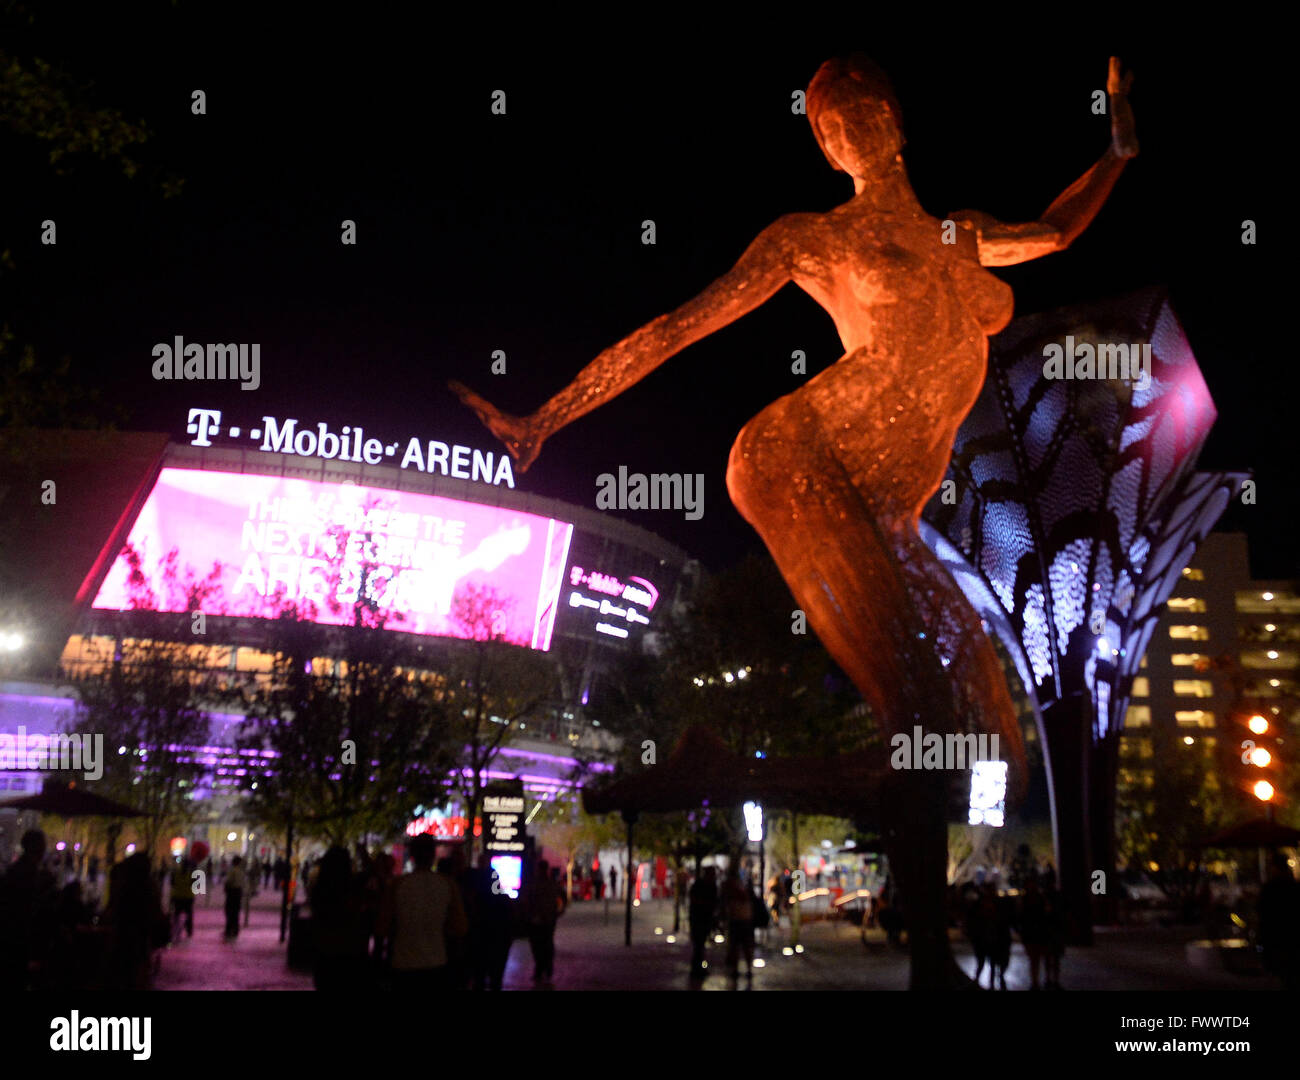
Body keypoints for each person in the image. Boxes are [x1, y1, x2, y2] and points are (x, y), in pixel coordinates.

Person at [451, 54, 1138, 988]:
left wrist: (1117, 150)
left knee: (951, 729)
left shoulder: (957, 230)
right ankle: (915, 943)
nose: (844, 131)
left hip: (883, 504)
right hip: (800, 460)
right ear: (824, 149)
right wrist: (548, 417)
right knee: (930, 722)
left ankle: (741, 783)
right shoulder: (813, 237)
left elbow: (1055, 231)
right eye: (826, 126)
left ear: (894, 119)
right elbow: (676, 325)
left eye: (856, 111)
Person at [378, 834, 468, 989]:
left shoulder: (397, 885)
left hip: (403, 963)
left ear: (411, 855)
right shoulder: (447, 885)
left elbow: (381, 927)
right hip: (436, 962)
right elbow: (460, 927)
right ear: (433, 854)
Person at [0, 829, 59, 990]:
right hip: (21, 940)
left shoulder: (16, 871)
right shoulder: (30, 874)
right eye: (42, 845)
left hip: (13, 940)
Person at [104, 852, 169, 990]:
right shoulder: (148, 886)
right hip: (138, 934)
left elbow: (112, 907)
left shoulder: (124, 883)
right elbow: (155, 911)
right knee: (136, 967)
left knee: (123, 968)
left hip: (123, 933)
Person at [311, 846, 370, 990]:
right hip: (349, 951)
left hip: (324, 950)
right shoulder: (352, 887)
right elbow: (370, 872)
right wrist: (364, 854)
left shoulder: (319, 890)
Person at [1257, 853, 1300, 990]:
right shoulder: (1294, 886)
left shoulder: (1270, 887)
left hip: (1275, 935)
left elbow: (1261, 909)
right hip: (1292, 935)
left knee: (1280, 970)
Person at [520, 857, 565, 984]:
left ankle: (541, 968)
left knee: (538, 945)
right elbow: (563, 898)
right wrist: (559, 912)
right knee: (545, 944)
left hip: (539, 919)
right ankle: (545, 967)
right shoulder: (551, 884)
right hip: (546, 919)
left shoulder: (535, 884)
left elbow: (526, 900)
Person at [721, 870, 756, 986]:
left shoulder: (738, 891)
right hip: (740, 921)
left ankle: (743, 969)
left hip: (740, 921)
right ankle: (742, 969)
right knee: (740, 946)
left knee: (740, 946)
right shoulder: (738, 891)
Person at [688, 866, 719, 982]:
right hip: (699, 918)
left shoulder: (708, 885)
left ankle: (698, 967)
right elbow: (695, 899)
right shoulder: (701, 885)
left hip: (703, 918)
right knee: (699, 944)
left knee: (700, 945)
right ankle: (697, 968)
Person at [170, 857, 197, 940]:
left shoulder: (176, 873)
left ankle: (176, 931)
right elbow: (195, 885)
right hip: (188, 897)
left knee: (176, 914)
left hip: (177, 896)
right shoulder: (192, 874)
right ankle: (189, 931)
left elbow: (172, 884)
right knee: (189, 914)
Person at [223, 856, 247, 939]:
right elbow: (243, 883)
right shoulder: (242, 871)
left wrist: (226, 888)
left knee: (229, 911)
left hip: (232, 892)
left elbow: (228, 881)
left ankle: (229, 930)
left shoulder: (233, 871)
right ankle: (235, 929)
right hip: (238, 892)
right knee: (236, 912)